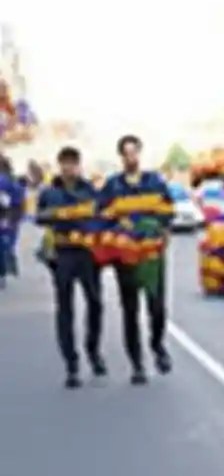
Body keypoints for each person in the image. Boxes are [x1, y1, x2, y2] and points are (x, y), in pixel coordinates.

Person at [99, 134, 174, 384]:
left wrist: (163, 230)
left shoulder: (154, 182)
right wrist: (116, 224)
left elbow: (168, 210)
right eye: (126, 153)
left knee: (157, 306)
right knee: (130, 310)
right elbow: (101, 215)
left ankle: (157, 345)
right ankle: (137, 364)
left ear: (140, 154)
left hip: (152, 254)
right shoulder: (112, 186)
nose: (131, 157)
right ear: (121, 156)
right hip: (126, 256)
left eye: (134, 152)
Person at [34, 146, 106, 388]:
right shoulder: (50, 192)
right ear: (59, 165)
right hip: (63, 253)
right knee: (65, 308)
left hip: (87, 253)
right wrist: (65, 214)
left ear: (79, 165)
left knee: (95, 303)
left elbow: (101, 217)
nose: (68, 167)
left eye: (73, 163)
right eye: (64, 163)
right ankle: (71, 364)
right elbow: (40, 217)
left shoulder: (90, 191)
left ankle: (93, 350)